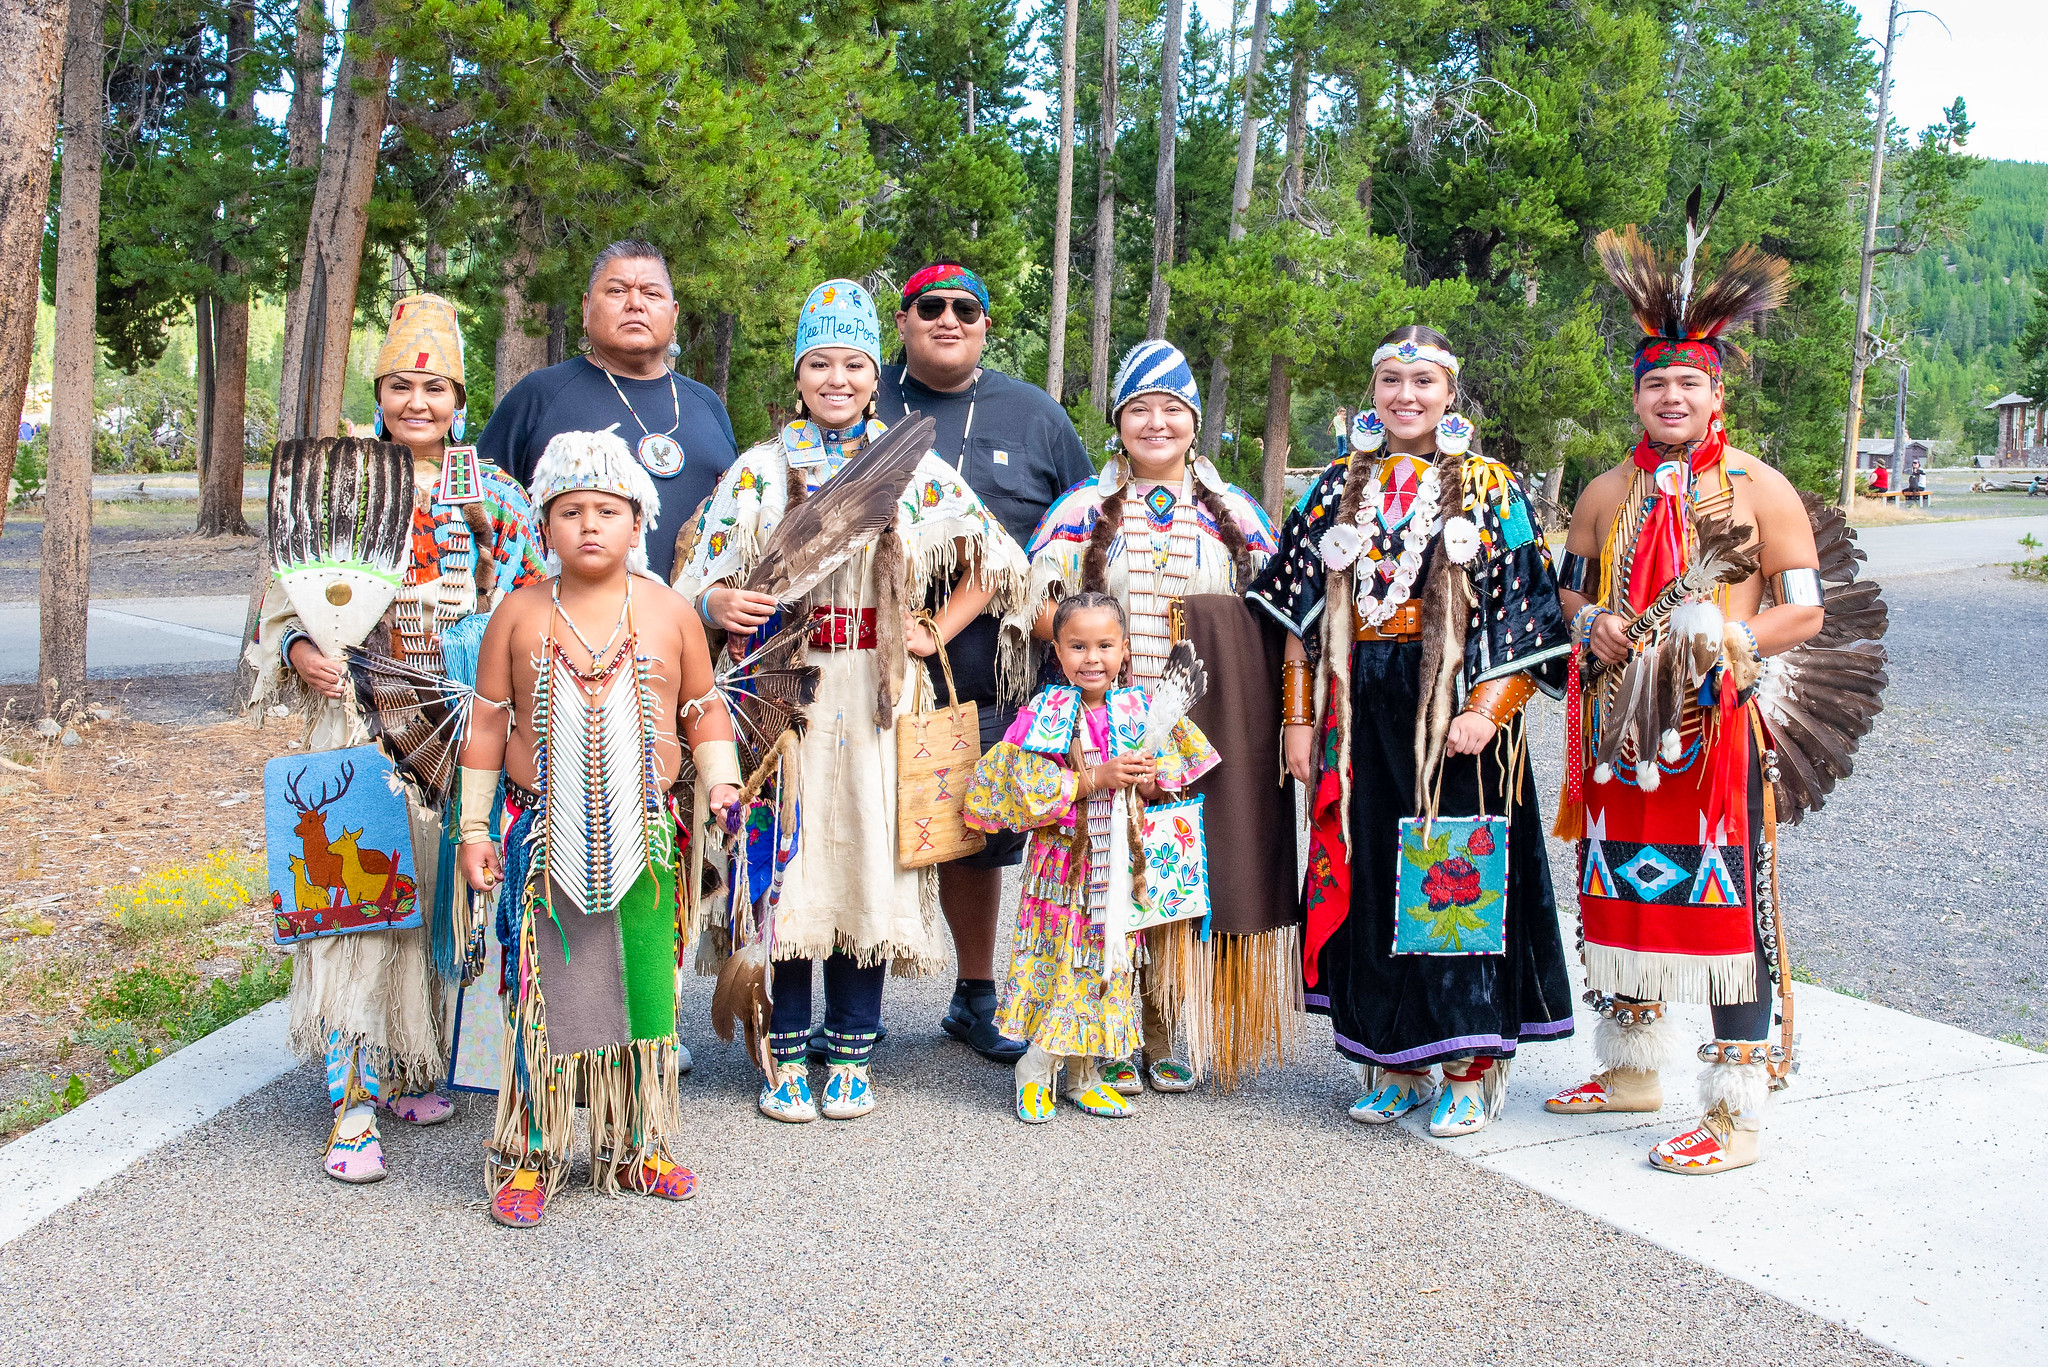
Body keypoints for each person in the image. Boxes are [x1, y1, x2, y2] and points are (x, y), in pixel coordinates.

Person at [675, 278, 1027, 1123]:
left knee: (868, 860)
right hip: (781, 697)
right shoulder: (761, 471)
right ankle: (788, 1048)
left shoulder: (908, 465)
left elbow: (997, 557)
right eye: (821, 363)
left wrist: (933, 629)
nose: (837, 378)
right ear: (798, 374)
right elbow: (694, 581)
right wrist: (720, 604)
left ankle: (853, 1052)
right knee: (790, 866)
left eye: (854, 364)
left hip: (876, 693)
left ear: (876, 375)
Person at [247, 292, 549, 1183]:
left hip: (457, 721)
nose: (418, 402)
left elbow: (535, 597)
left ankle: (419, 1061)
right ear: (378, 392)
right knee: (357, 905)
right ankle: (352, 1105)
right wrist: (300, 650)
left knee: (444, 897)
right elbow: (279, 602)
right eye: (401, 386)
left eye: (436, 388)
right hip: (356, 719)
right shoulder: (342, 478)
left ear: (461, 400)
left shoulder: (492, 491)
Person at [1245, 324, 1575, 1139]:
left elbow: (1527, 611)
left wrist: (1487, 709)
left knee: (1454, 878)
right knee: (1368, 880)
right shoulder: (1332, 487)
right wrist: (1298, 720)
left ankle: (1465, 1069)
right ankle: (1393, 1061)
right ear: (1374, 391)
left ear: (1450, 393)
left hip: (1454, 712)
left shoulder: (1491, 486)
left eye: (1423, 381)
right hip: (1357, 707)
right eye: (1391, 379)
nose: (1406, 395)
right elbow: (1298, 617)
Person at [1546, 217, 1825, 1174]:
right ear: (1636, 394)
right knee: (1618, 891)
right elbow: (1568, 590)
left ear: (1717, 392)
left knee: (1725, 905)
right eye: (1656, 382)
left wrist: (1731, 639)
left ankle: (1736, 1113)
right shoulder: (1604, 491)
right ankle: (1630, 1069)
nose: (1672, 396)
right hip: (1619, 729)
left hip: (1716, 729)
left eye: (1689, 382)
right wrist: (1591, 619)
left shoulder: (1762, 489)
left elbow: (1805, 611)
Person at [454, 429, 742, 1228]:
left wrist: (721, 781)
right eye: (570, 509)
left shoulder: (669, 612)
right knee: (543, 1001)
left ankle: (635, 1143)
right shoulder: (517, 613)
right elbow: (487, 723)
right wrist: (473, 828)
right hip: (543, 834)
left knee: (645, 998)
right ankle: (532, 1150)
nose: (589, 524)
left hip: (646, 834)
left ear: (638, 519)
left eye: (608, 509)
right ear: (543, 523)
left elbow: (702, 709)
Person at [1007, 340, 1292, 1094]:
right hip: (1105, 721)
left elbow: (1275, 620)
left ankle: (1165, 1024)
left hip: (1201, 723)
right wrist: (1096, 653)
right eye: (1139, 409)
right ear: (1117, 422)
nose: (1156, 423)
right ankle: (1109, 1031)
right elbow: (1033, 608)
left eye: (1172, 409)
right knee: (1106, 869)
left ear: (1194, 421)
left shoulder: (1236, 515)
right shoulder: (1080, 510)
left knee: (1176, 869)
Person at [874, 261, 1095, 1064]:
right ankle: (843, 1007)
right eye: (929, 306)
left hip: (995, 666)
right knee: (863, 816)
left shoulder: (1035, 415)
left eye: (965, 309)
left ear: (986, 325)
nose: (949, 319)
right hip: (872, 656)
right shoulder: (865, 397)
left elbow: (1085, 526)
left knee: (980, 824)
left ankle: (975, 992)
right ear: (902, 320)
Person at [964, 592, 1218, 1121]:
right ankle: (1036, 1069)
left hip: (1120, 865)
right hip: (1062, 869)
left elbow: (1160, 788)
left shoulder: (1139, 709)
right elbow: (1024, 789)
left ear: (1125, 650)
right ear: (1057, 652)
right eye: (1077, 647)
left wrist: (1148, 781)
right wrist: (1093, 778)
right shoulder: (1046, 712)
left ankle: (1084, 1076)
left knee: (1106, 965)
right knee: (1061, 963)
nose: (1092, 658)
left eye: (1104, 645)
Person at [477, 240, 738, 584]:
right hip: (557, 612)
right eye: (617, 291)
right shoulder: (538, 396)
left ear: (674, 314)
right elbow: (485, 512)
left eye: (651, 294)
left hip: (691, 615)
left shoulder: (707, 405)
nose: (635, 304)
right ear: (586, 309)